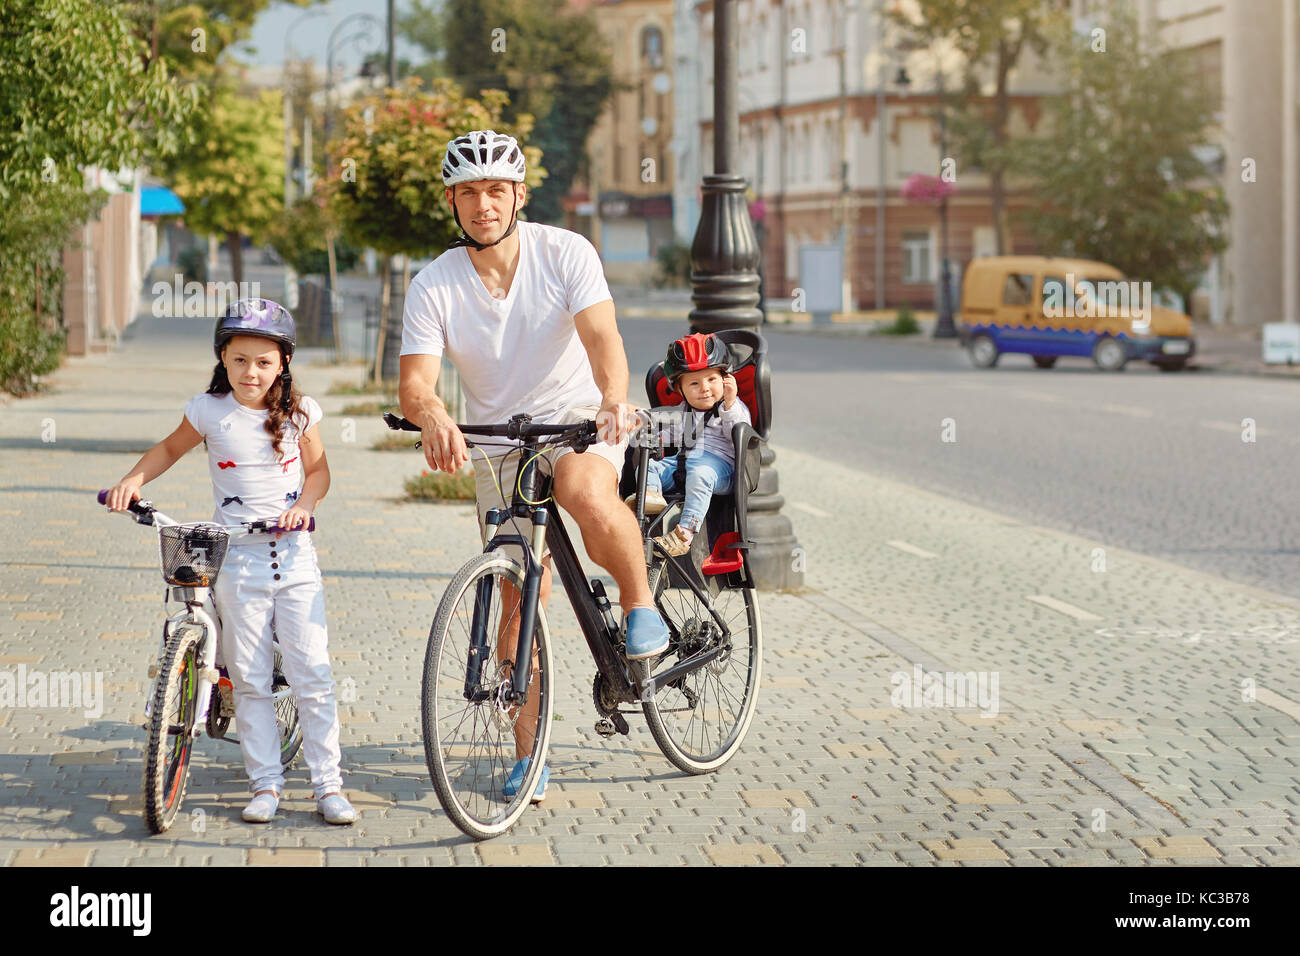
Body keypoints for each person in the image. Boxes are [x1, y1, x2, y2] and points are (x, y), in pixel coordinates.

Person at [398, 129, 671, 802]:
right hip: (497, 443)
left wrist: (613, 398)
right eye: (468, 192)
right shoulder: (434, 283)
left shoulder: (565, 252)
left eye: (495, 190)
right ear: (452, 202)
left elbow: (603, 337)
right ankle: (530, 756)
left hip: (576, 419)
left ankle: (641, 608)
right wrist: (434, 416)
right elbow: (416, 383)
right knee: (518, 599)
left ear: (518, 195)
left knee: (581, 486)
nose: (483, 204)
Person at [105, 299, 356, 825]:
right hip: (237, 561)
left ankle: (328, 786)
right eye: (240, 360)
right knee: (249, 680)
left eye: (264, 361)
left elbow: (319, 473)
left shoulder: (301, 412)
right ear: (224, 357)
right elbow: (169, 449)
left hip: (294, 559)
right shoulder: (208, 410)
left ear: (283, 363)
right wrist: (133, 479)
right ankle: (265, 785)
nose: (251, 372)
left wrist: (303, 508)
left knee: (313, 673)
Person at [635, 332, 752, 557]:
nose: (705, 388)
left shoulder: (731, 409)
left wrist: (730, 401)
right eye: (695, 383)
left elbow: (739, 432)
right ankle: (652, 498)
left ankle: (684, 535)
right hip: (683, 466)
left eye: (712, 380)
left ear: (726, 380)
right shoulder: (683, 412)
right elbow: (664, 428)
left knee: (700, 471)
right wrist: (641, 421)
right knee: (647, 467)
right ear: (680, 390)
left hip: (720, 472)